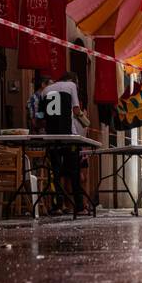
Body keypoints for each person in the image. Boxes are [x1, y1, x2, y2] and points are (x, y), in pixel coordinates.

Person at [43, 71, 89, 215]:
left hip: (51, 137)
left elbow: (40, 117)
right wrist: (85, 121)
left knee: (55, 172)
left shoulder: (45, 90)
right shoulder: (71, 85)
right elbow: (76, 110)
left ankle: (57, 206)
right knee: (74, 172)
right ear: (72, 80)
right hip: (69, 137)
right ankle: (80, 207)